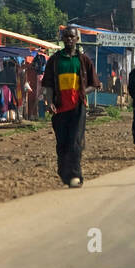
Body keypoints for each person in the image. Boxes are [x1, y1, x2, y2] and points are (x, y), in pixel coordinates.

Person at [41, 27, 100, 187]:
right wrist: (50, 101)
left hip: (77, 108)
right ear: (62, 38)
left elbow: (94, 84)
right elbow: (47, 85)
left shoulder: (83, 60)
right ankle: (64, 173)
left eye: (72, 37)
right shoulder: (54, 61)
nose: (69, 39)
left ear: (77, 39)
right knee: (62, 143)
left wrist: (82, 92)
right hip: (59, 108)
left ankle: (75, 175)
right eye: (66, 37)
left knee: (75, 142)